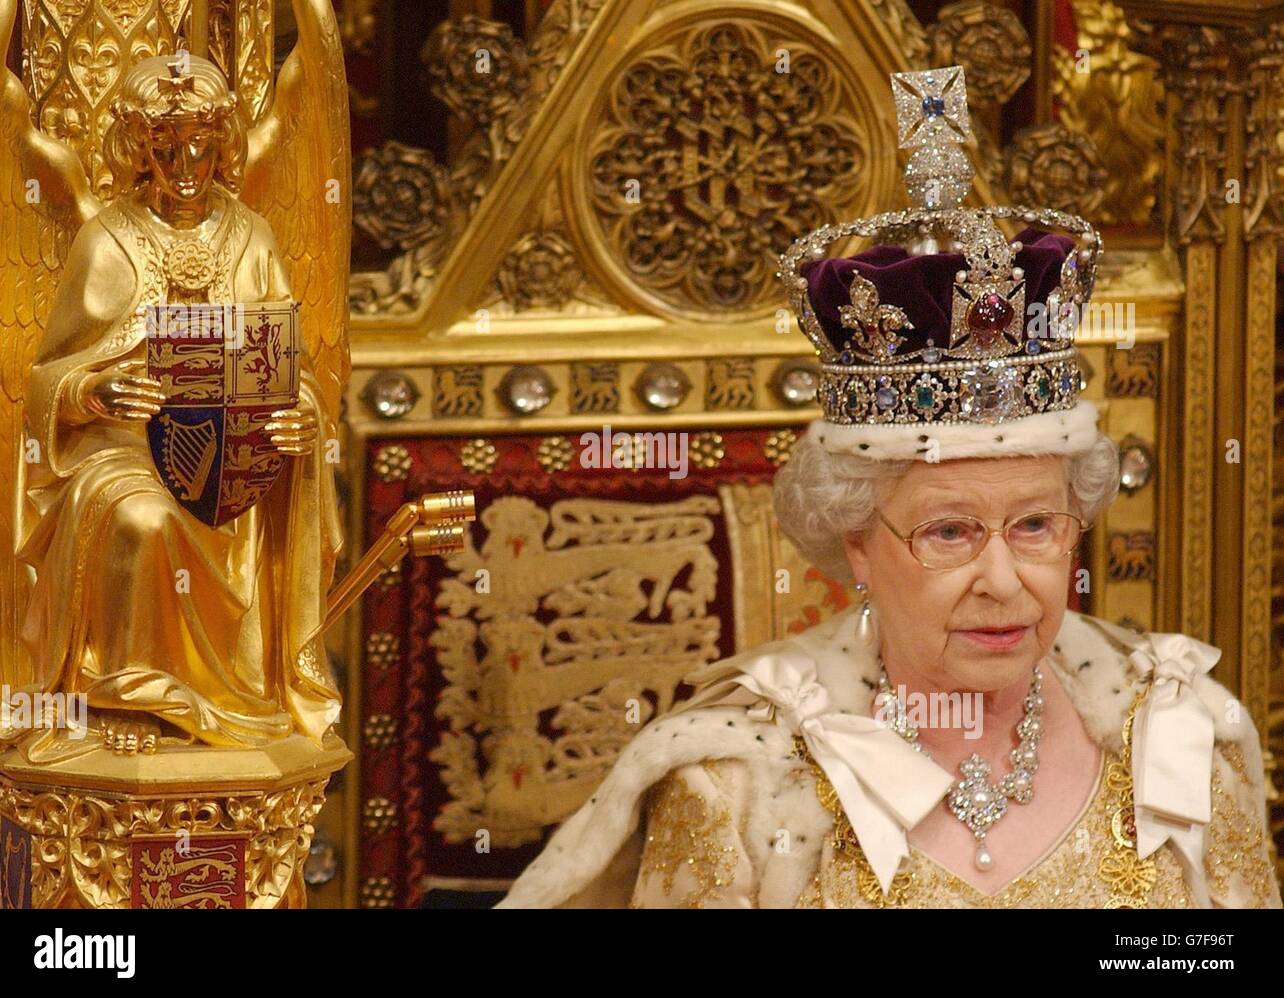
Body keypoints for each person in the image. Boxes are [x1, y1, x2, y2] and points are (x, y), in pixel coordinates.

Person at [496, 67, 1281, 909]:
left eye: (1035, 526)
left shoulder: (1179, 732)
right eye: (949, 532)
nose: (1005, 581)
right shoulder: (737, 785)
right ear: (858, 544)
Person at [5, 55, 340, 758]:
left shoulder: (251, 236)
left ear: (223, 146)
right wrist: (91, 391)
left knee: (235, 502)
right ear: (137, 150)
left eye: (201, 144)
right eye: (165, 146)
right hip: (122, 456)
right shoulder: (109, 240)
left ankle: (242, 692)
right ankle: (128, 692)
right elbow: (46, 378)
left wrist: (303, 411)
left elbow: (291, 365)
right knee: (144, 520)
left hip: (234, 462)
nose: (185, 164)